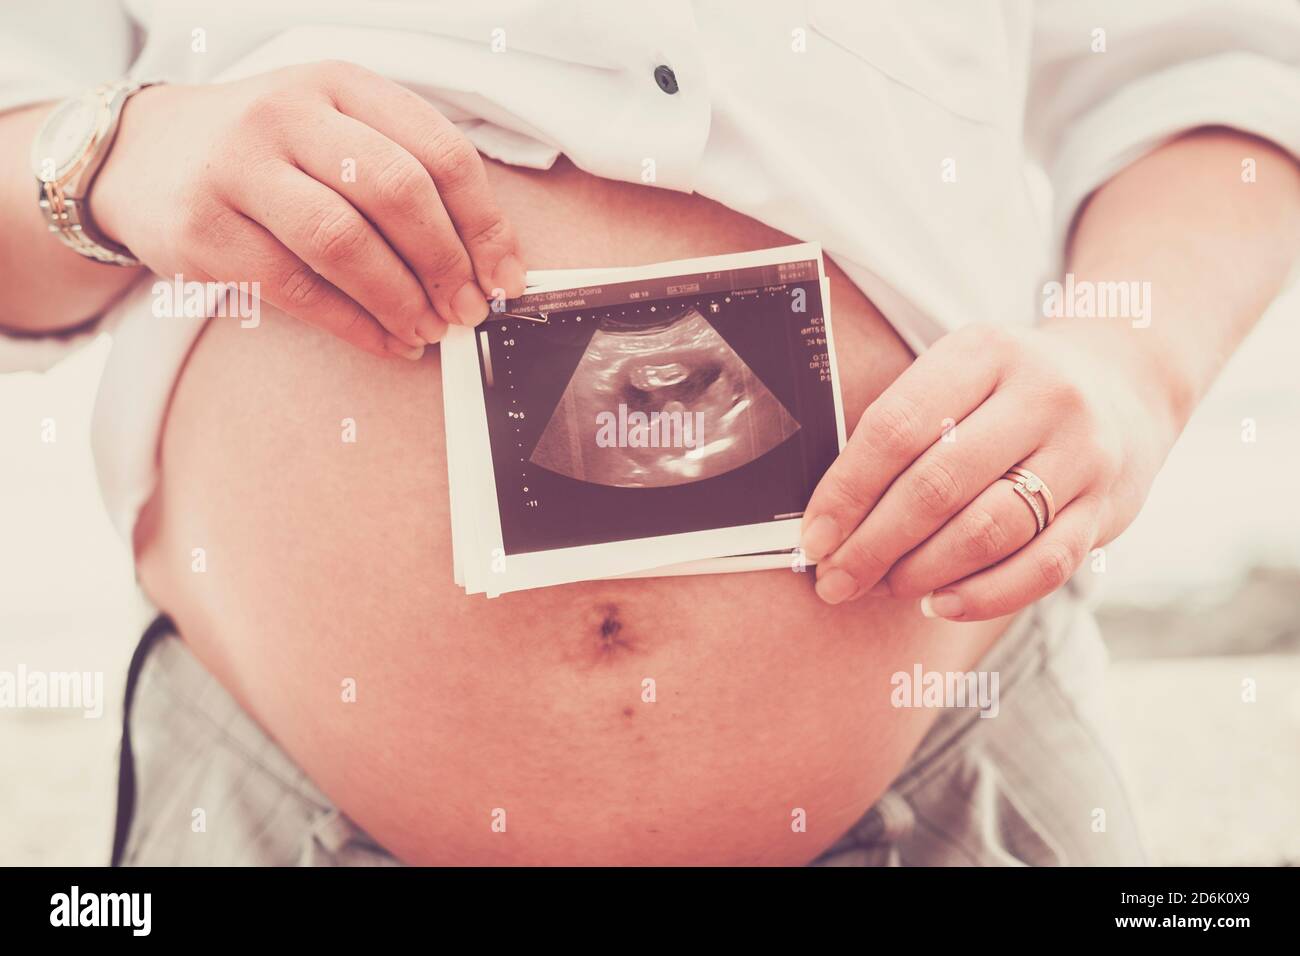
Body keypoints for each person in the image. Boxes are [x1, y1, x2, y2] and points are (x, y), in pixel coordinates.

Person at [2, 0, 1298, 866]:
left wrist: (1128, 366)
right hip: (283, 784)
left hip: (955, 742)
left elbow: (1221, 71)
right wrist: (112, 154)